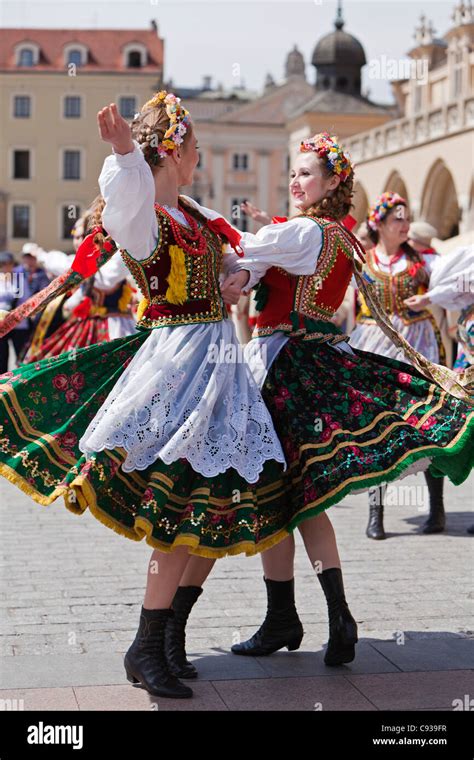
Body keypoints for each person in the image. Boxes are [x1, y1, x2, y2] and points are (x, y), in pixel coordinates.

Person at [0, 91, 292, 699]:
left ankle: (167, 637)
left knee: (211, 498)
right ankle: (145, 641)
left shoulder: (196, 216)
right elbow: (126, 202)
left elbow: (241, 259)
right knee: (177, 501)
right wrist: (125, 152)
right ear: (174, 150)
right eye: (193, 147)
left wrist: (236, 277)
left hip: (218, 362)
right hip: (178, 361)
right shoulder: (146, 219)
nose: (199, 157)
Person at [166, 132, 474, 670]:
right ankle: (319, 617)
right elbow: (253, 262)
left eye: (307, 173)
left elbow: (245, 245)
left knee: (259, 492)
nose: (295, 180)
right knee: (298, 500)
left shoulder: (305, 231)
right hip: (312, 359)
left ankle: (208, 624)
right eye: (295, 171)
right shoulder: (336, 237)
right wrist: (241, 273)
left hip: (283, 365)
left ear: (333, 183)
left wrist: (187, 210)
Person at [350, 193, 448, 538]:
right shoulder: (362, 261)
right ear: (379, 225)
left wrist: (430, 298)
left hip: (417, 348)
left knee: (427, 424)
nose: (405, 225)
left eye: (407, 219)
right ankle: (376, 514)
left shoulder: (424, 261)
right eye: (398, 220)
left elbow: (455, 283)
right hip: (374, 349)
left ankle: (437, 510)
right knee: (380, 429)